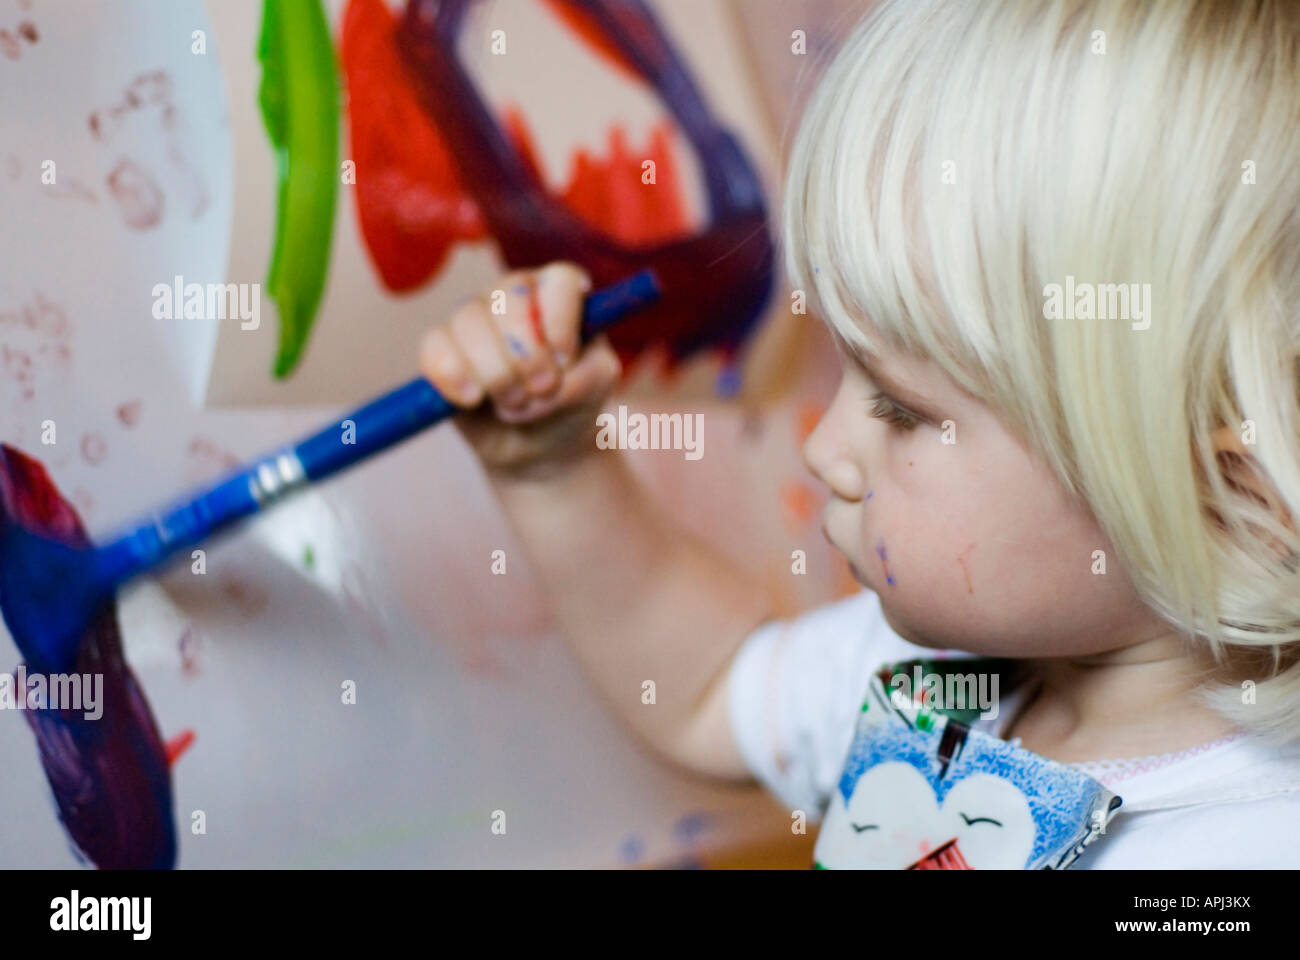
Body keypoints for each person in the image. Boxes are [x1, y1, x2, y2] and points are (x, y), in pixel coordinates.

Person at [419, 0, 1300, 867]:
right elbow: (708, 688)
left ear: (1236, 495)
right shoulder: (939, 678)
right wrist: (553, 470)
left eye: (903, 409)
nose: (825, 450)